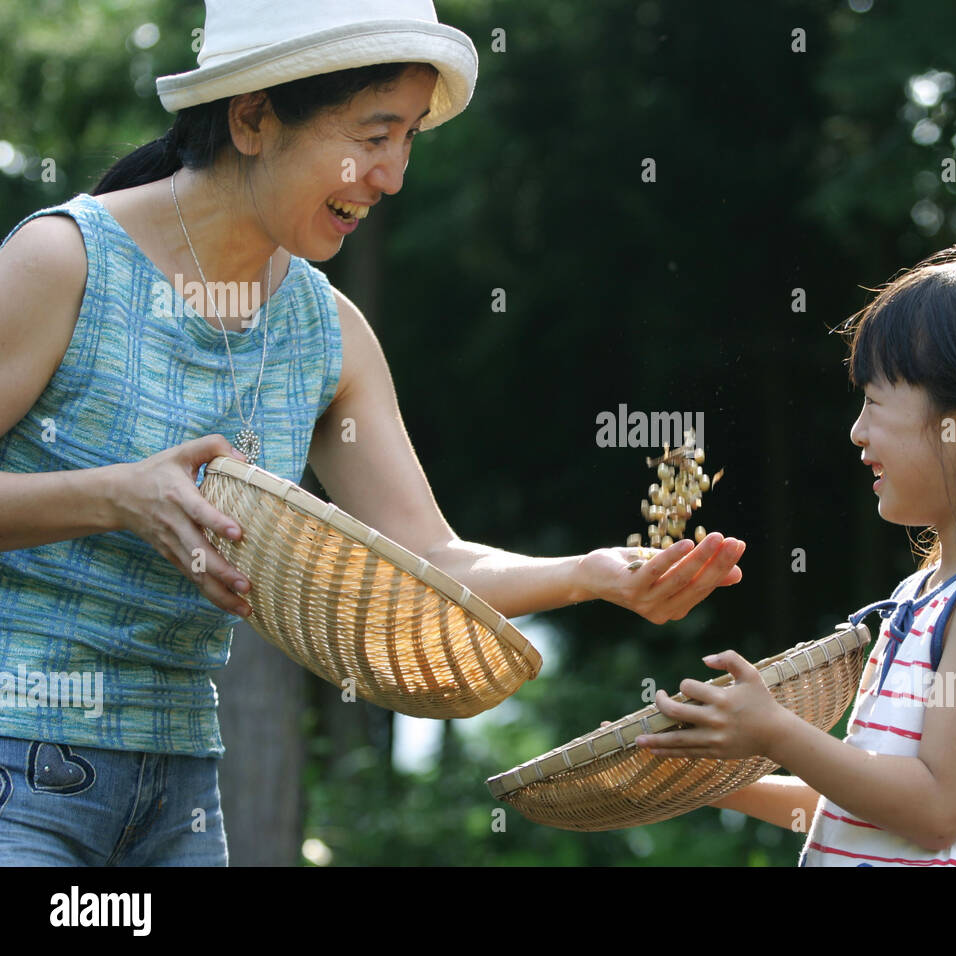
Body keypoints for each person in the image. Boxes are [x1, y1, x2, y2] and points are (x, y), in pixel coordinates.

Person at [0, 0, 744, 865]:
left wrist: (593, 575)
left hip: (181, 784)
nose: (390, 176)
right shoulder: (64, 262)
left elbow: (430, 558)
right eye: (372, 134)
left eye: (409, 139)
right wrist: (115, 498)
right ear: (252, 118)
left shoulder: (329, 334)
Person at [636, 247, 956, 866]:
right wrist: (713, 780)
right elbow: (872, 803)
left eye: (875, 400)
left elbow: (935, 810)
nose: (856, 431)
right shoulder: (924, 592)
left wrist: (776, 732)